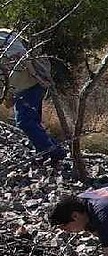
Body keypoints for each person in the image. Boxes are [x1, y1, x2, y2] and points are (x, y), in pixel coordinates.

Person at [0, 29, 66, 165]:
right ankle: (47, 152)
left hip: (32, 84)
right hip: (22, 86)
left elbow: (22, 56)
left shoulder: (3, 36)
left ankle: (55, 152)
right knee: (32, 121)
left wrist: (37, 77)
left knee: (25, 122)